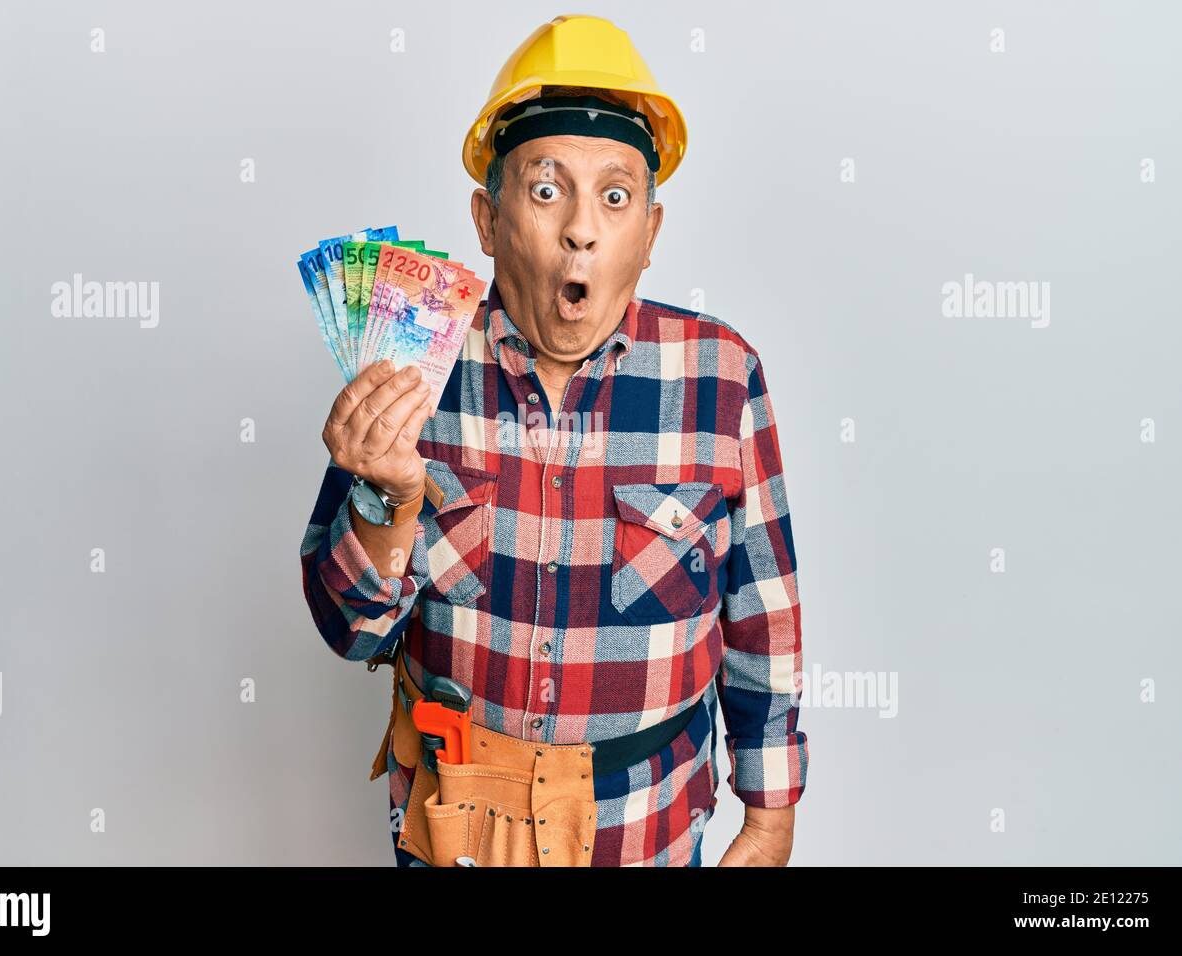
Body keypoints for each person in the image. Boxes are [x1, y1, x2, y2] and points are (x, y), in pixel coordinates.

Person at [300, 14, 807, 867]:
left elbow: (762, 618)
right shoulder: (412, 366)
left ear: (650, 231)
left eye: (615, 196)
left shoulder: (723, 377)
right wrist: (389, 502)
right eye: (545, 189)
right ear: (488, 222)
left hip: (646, 831)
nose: (582, 228)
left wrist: (768, 815)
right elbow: (348, 631)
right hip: (453, 828)